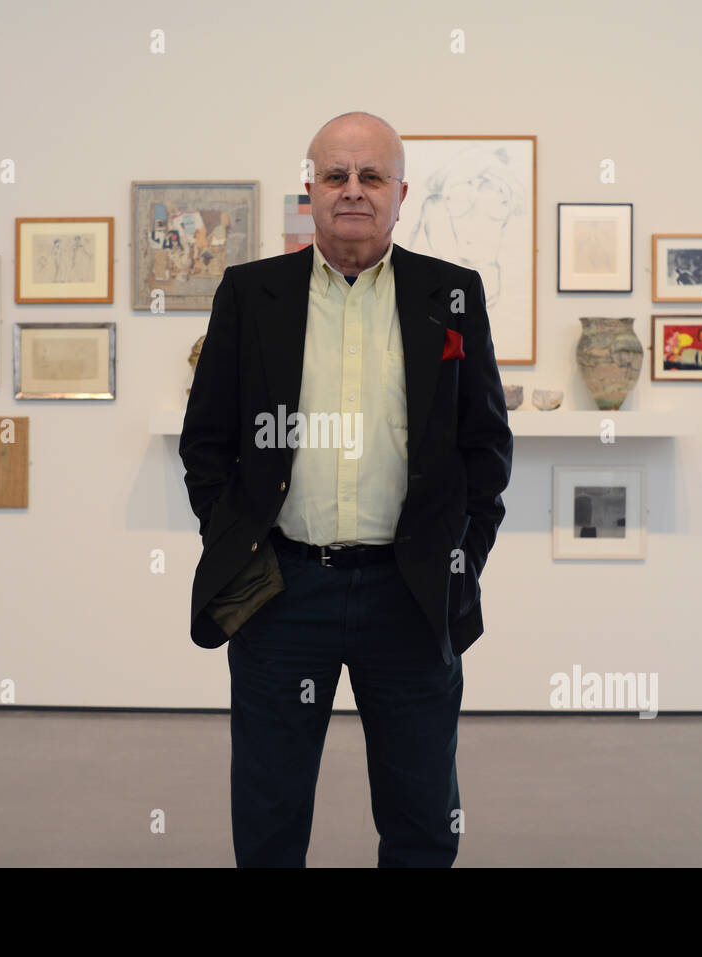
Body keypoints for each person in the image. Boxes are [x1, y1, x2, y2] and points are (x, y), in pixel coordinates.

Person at [179, 111, 513, 867]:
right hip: (283, 593)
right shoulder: (250, 293)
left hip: (411, 590)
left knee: (423, 817)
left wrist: (461, 554)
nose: (353, 192)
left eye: (370, 177)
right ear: (311, 190)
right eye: (336, 176)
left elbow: (484, 446)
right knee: (269, 817)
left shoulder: (452, 294)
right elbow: (207, 441)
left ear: (401, 192)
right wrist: (236, 540)